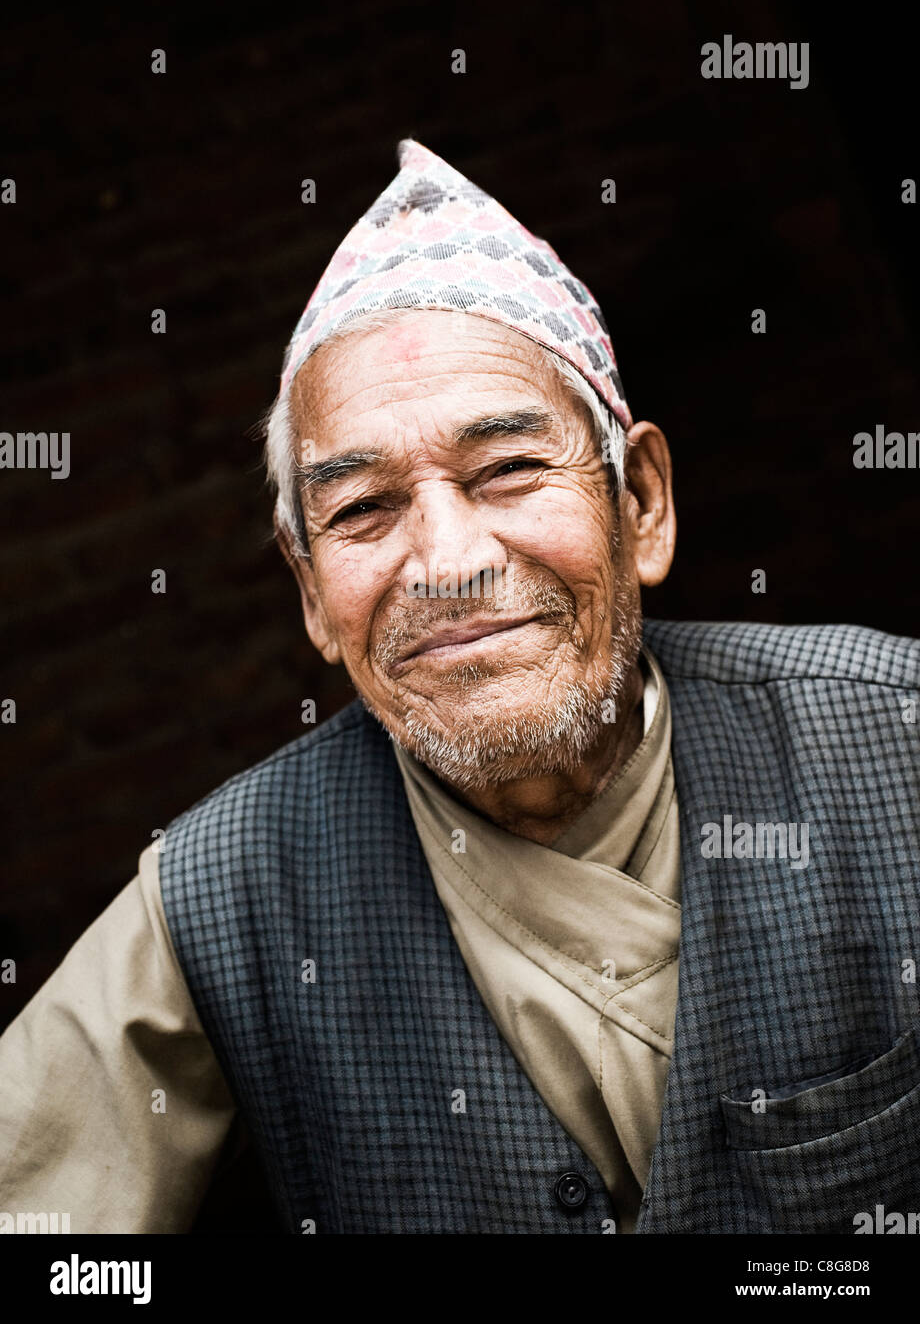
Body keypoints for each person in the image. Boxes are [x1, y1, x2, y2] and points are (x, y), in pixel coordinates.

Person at [2, 140, 918, 1235]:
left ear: (639, 505)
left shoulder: (893, 734)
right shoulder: (220, 896)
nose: (446, 563)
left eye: (507, 471)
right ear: (310, 596)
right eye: (361, 511)